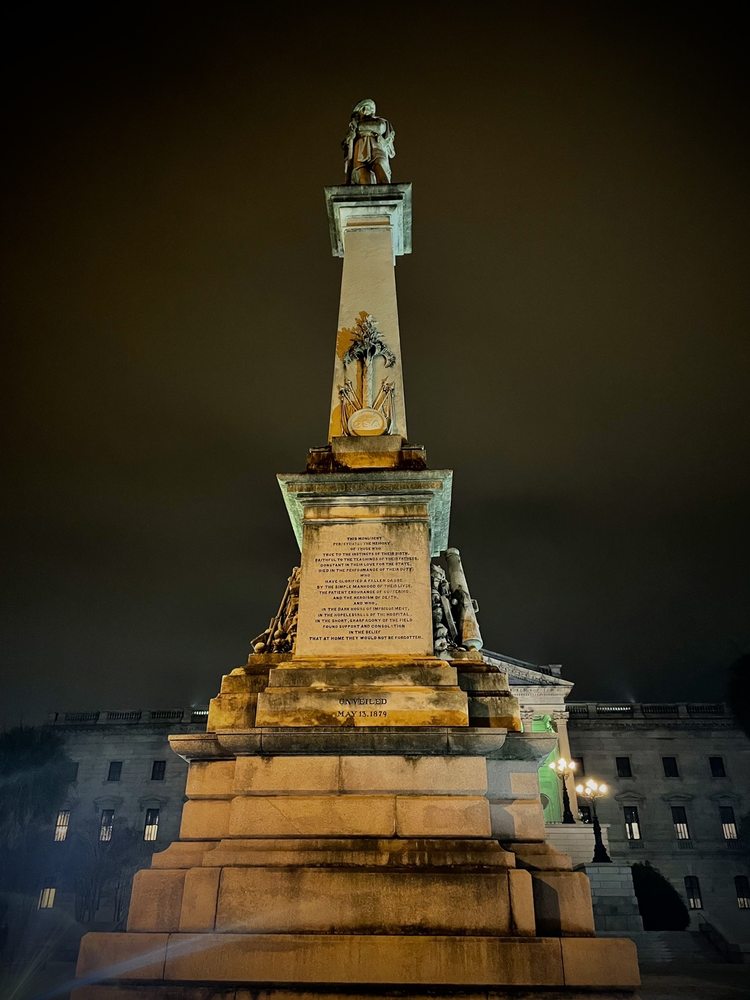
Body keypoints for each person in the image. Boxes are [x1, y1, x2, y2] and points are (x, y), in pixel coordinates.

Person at [342, 99, 395, 185]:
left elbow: (379, 127)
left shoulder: (380, 121)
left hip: (376, 146)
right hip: (359, 149)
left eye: (370, 108)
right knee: (363, 179)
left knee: (380, 171)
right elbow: (347, 143)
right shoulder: (353, 127)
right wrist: (350, 136)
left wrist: (358, 127)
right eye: (364, 108)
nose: (367, 110)